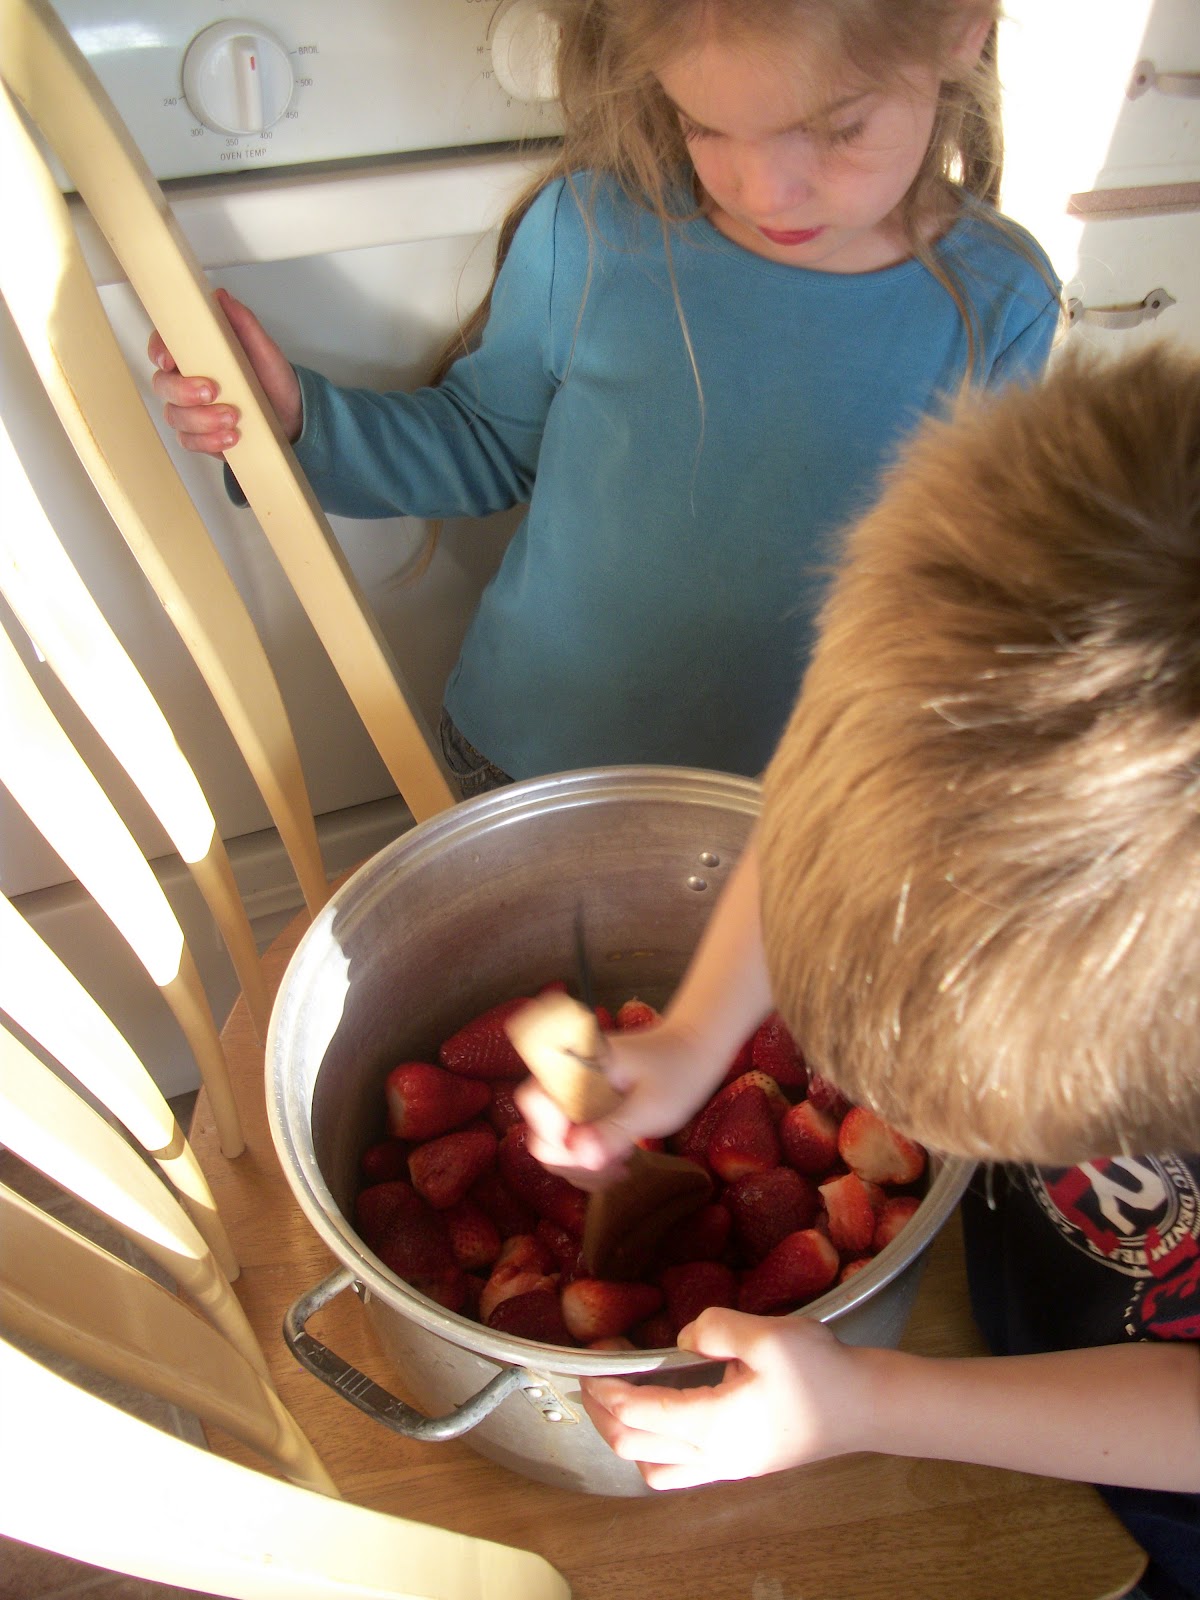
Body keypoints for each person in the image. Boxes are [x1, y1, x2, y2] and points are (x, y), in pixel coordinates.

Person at [516, 342, 1200, 1599]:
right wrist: (689, 1043)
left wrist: (870, 1401)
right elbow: (824, 817)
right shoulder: (951, 684)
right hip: (1038, 1298)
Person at [149, 0, 1058, 796]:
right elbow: (480, 444)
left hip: (793, 808)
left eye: (835, 128)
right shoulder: (592, 234)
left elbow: (968, 589)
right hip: (529, 764)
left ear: (959, 29)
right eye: (705, 126)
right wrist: (291, 425)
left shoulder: (999, 301)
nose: (760, 188)